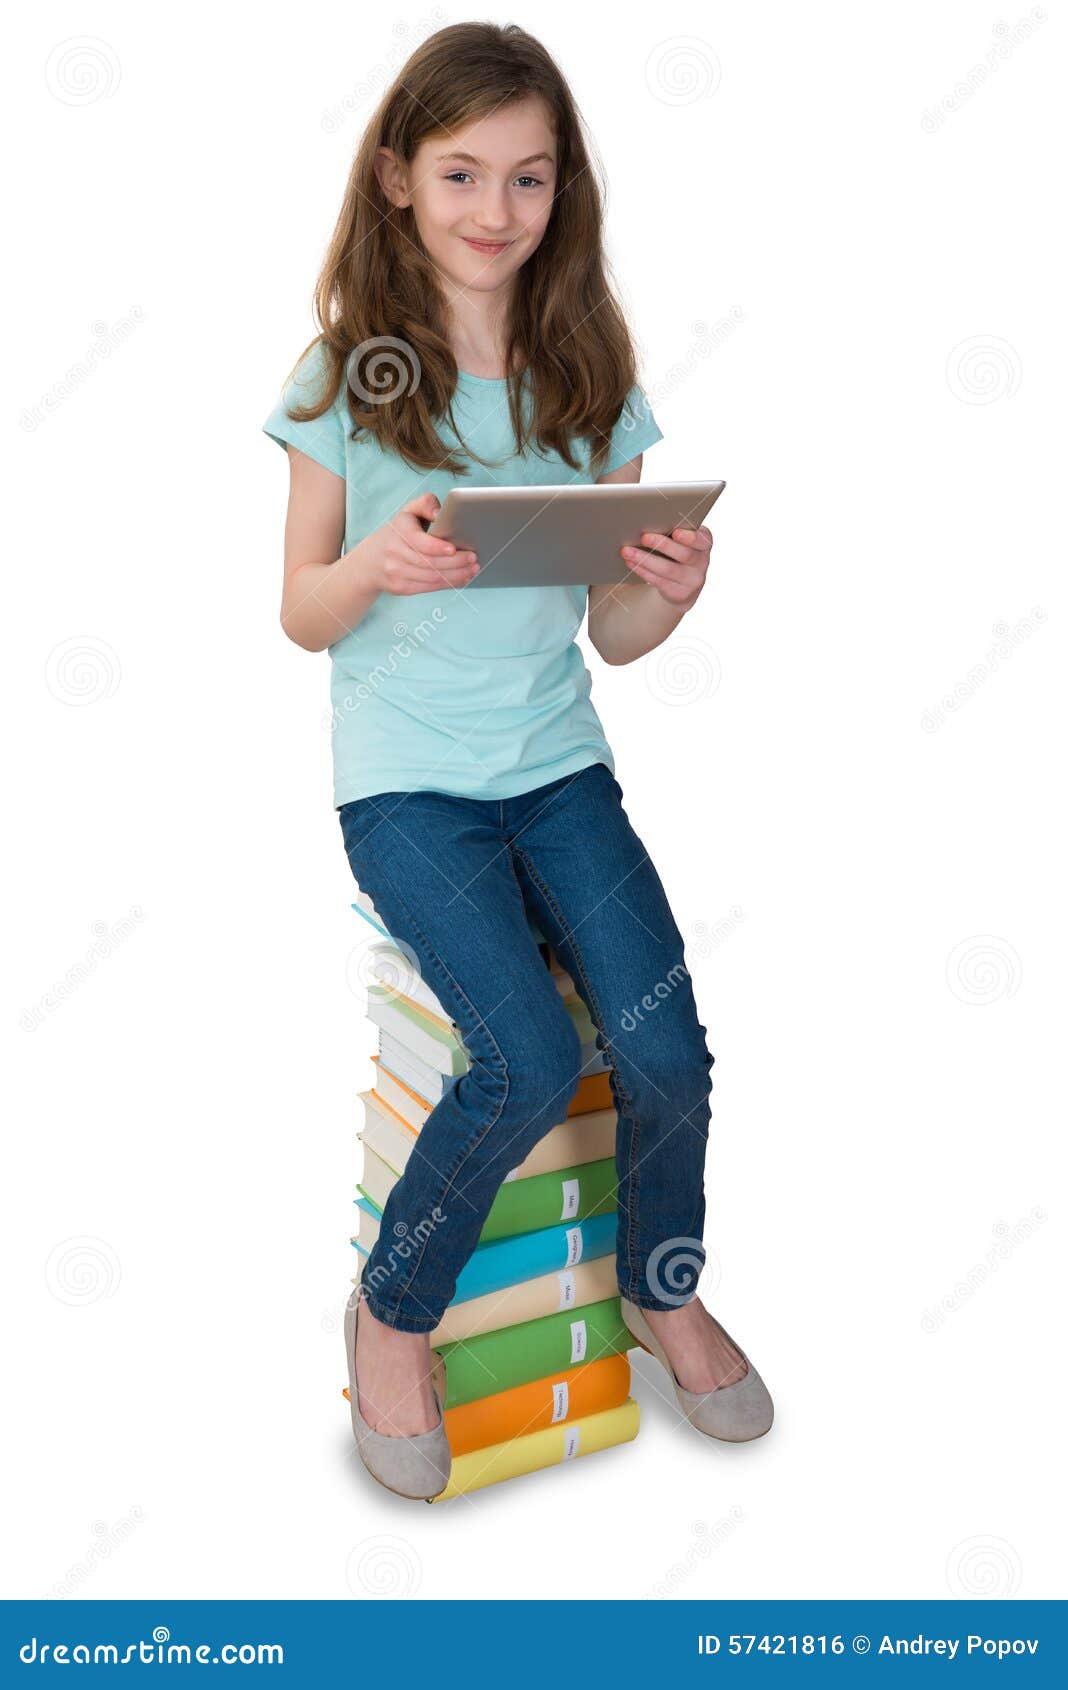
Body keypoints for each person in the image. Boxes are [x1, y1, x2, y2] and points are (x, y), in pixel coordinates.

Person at [263, 21, 772, 1500]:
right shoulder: (341, 378)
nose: (497, 211)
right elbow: (299, 612)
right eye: (464, 172)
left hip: (556, 770)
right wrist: (371, 567)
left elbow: (610, 633)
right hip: (407, 788)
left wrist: (666, 589)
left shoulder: (586, 369)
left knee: (667, 1044)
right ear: (399, 177)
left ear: (564, 193)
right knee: (530, 1056)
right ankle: (393, 1311)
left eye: (531, 178)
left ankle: (658, 1285)